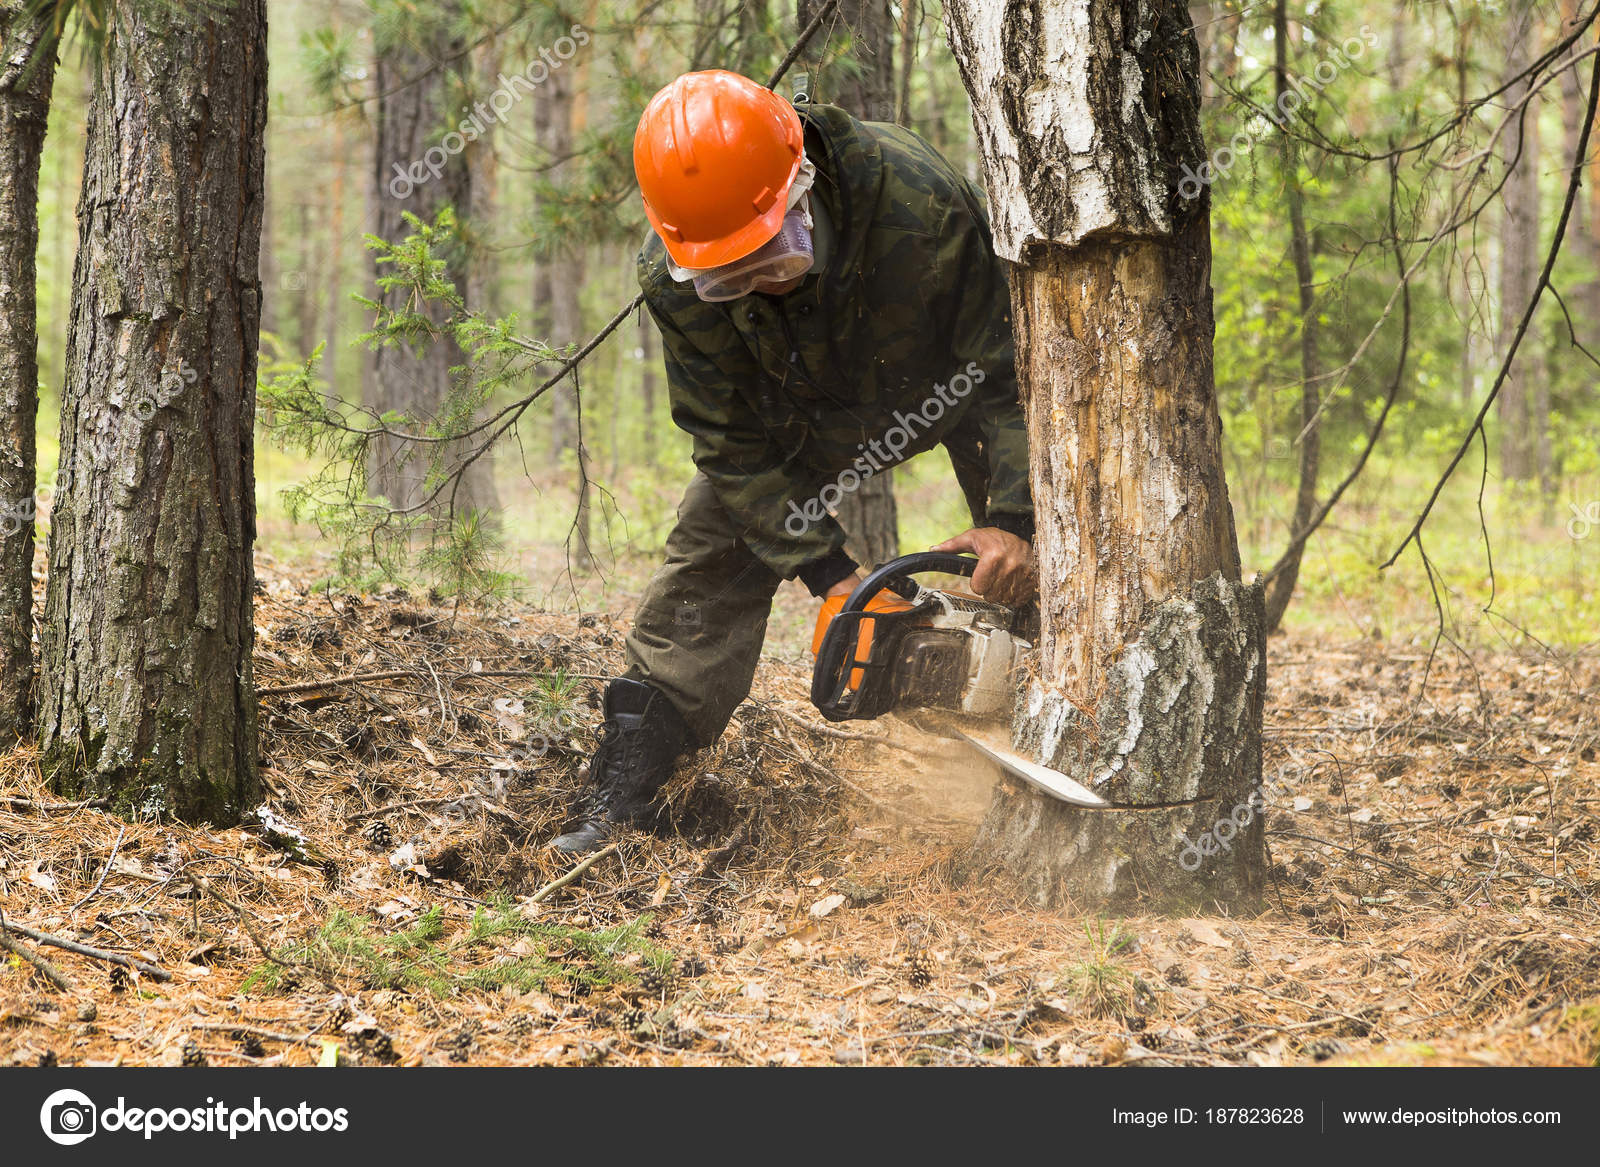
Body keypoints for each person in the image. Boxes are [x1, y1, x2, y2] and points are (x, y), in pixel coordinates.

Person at [551, 69, 1035, 853]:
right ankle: (630, 786)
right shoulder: (674, 273)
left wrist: (1013, 520)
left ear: (802, 178)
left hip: (944, 381)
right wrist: (830, 574)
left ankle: (1063, 725)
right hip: (800, 406)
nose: (755, 284)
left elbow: (1011, 371)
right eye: (727, 278)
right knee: (715, 531)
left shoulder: (918, 204)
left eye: (772, 254)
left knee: (1033, 550)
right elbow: (731, 441)